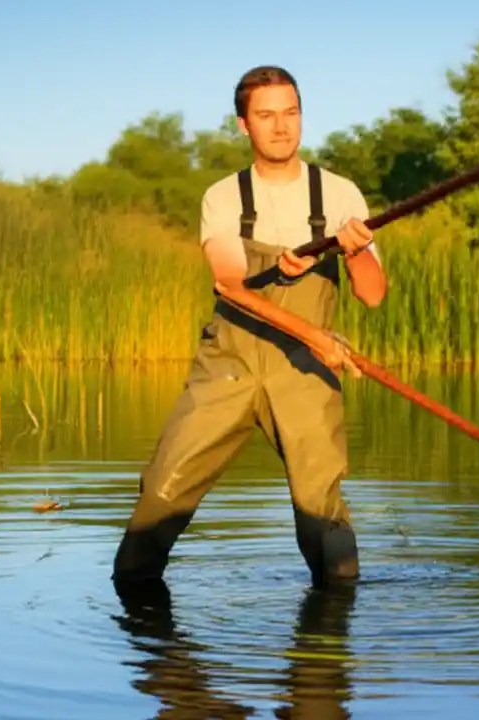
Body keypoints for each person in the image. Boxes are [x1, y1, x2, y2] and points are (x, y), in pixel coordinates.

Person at [112, 65, 386, 589]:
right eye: (266, 115)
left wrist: (355, 253)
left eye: (290, 113)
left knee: (321, 511)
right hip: (230, 363)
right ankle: (138, 619)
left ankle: (330, 639)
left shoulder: (340, 194)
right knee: (161, 493)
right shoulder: (223, 197)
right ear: (243, 125)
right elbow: (231, 286)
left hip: (305, 371)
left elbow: (372, 295)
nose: (281, 127)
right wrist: (317, 337)